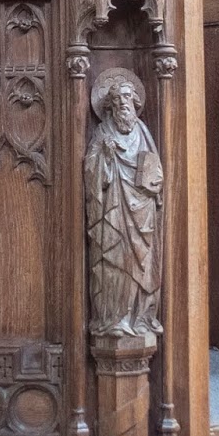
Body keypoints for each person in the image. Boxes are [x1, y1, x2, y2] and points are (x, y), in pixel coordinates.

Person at [84, 69, 163, 338]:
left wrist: (152, 183)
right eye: (117, 100)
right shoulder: (102, 132)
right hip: (113, 210)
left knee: (141, 262)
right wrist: (105, 156)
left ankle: (140, 318)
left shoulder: (142, 131)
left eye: (127, 98)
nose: (123, 104)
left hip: (142, 210)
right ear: (110, 106)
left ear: (134, 102)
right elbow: (91, 169)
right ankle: (114, 319)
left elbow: (155, 168)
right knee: (115, 261)